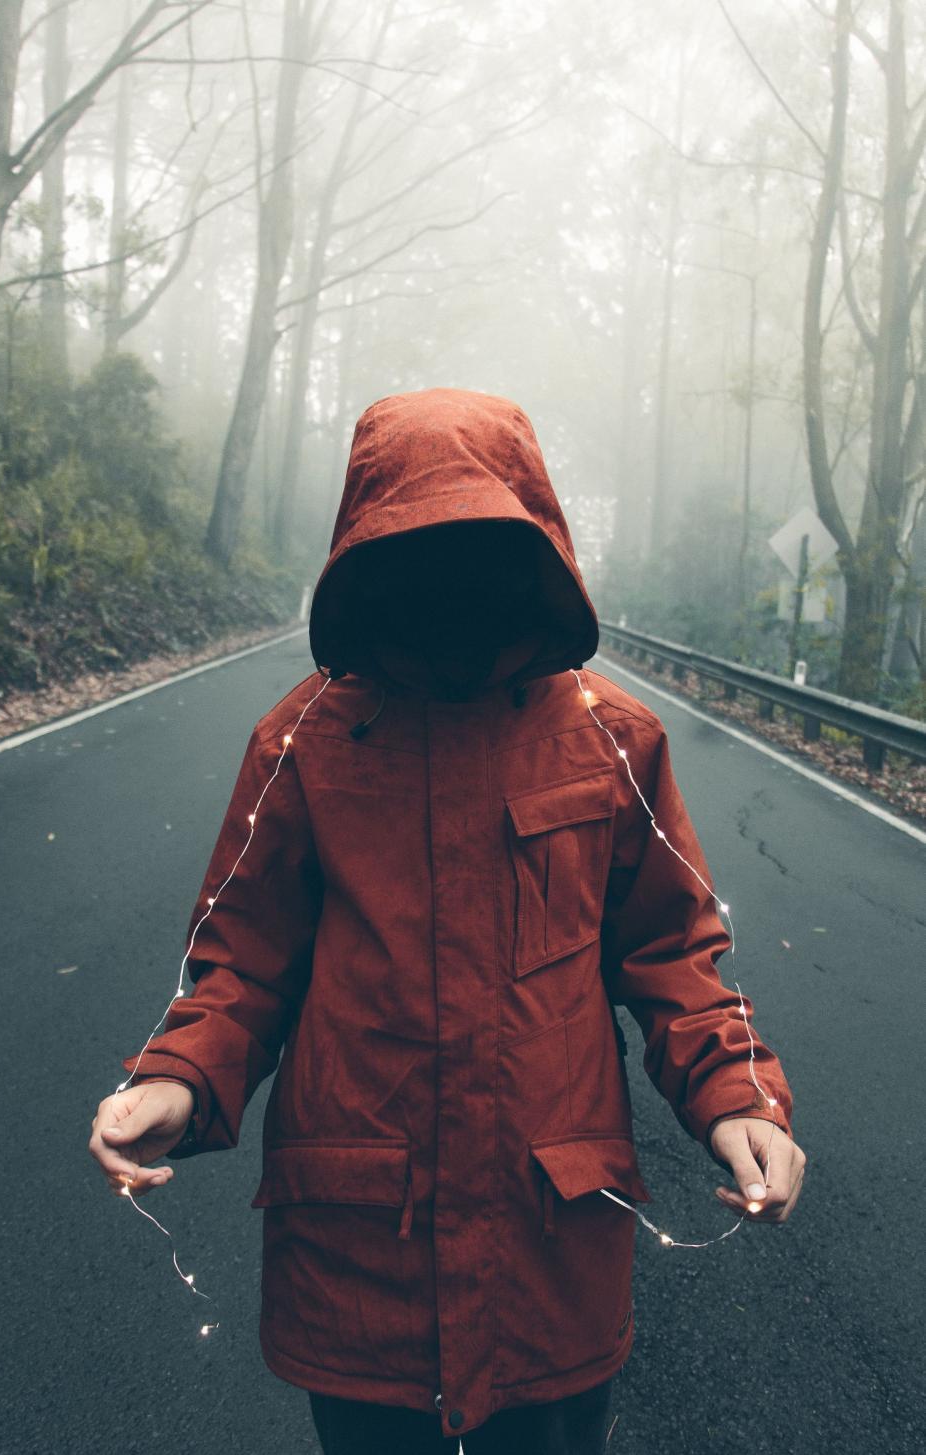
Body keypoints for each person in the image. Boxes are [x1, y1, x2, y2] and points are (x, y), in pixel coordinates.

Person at [89, 387, 805, 1454]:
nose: (450, 584)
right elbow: (242, 966)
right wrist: (177, 1078)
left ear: (534, 550)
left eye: (480, 551)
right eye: (416, 551)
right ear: (365, 554)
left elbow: (674, 956)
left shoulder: (613, 742)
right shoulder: (303, 744)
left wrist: (737, 1096)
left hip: (549, 1241)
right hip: (359, 1246)